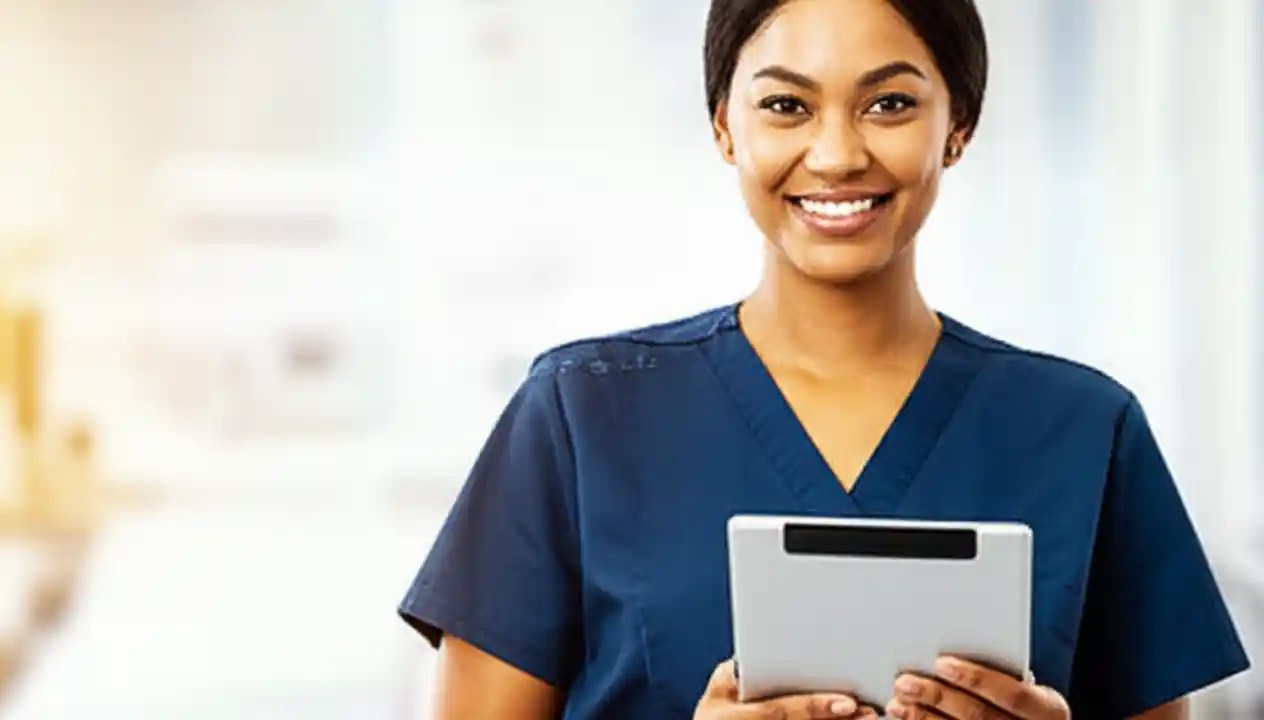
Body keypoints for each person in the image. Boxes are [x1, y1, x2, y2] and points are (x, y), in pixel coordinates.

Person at [396, 0, 1250, 717]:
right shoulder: (579, 416)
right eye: (785, 106)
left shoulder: (1087, 434)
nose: (837, 155)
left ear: (957, 127)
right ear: (724, 127)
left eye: (890, 104)